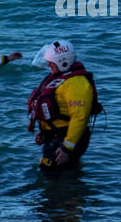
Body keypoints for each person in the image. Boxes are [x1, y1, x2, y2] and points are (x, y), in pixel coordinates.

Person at [27, 39, 100, 172]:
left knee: (52, 175)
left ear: (63, 62)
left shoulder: (76, 84)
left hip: (67, 138)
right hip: (55, 135)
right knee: (57, 174)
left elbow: (80, 118)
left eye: (51, 64)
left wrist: (67, 147)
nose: (48, 66)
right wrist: (43, 130)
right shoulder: (58, 78)